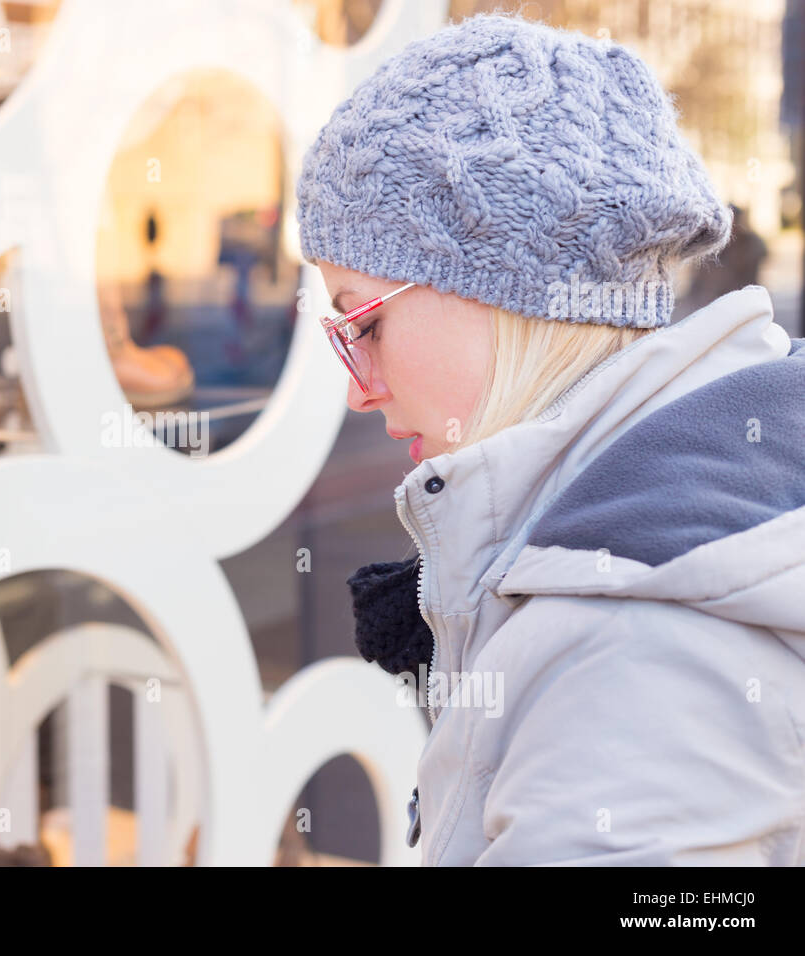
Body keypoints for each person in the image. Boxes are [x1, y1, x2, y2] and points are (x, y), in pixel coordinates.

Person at [296, 12, 805, 865]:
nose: (359, 389)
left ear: (499, 291)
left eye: (364, 324)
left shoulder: (624, 651)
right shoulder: (705, 500)